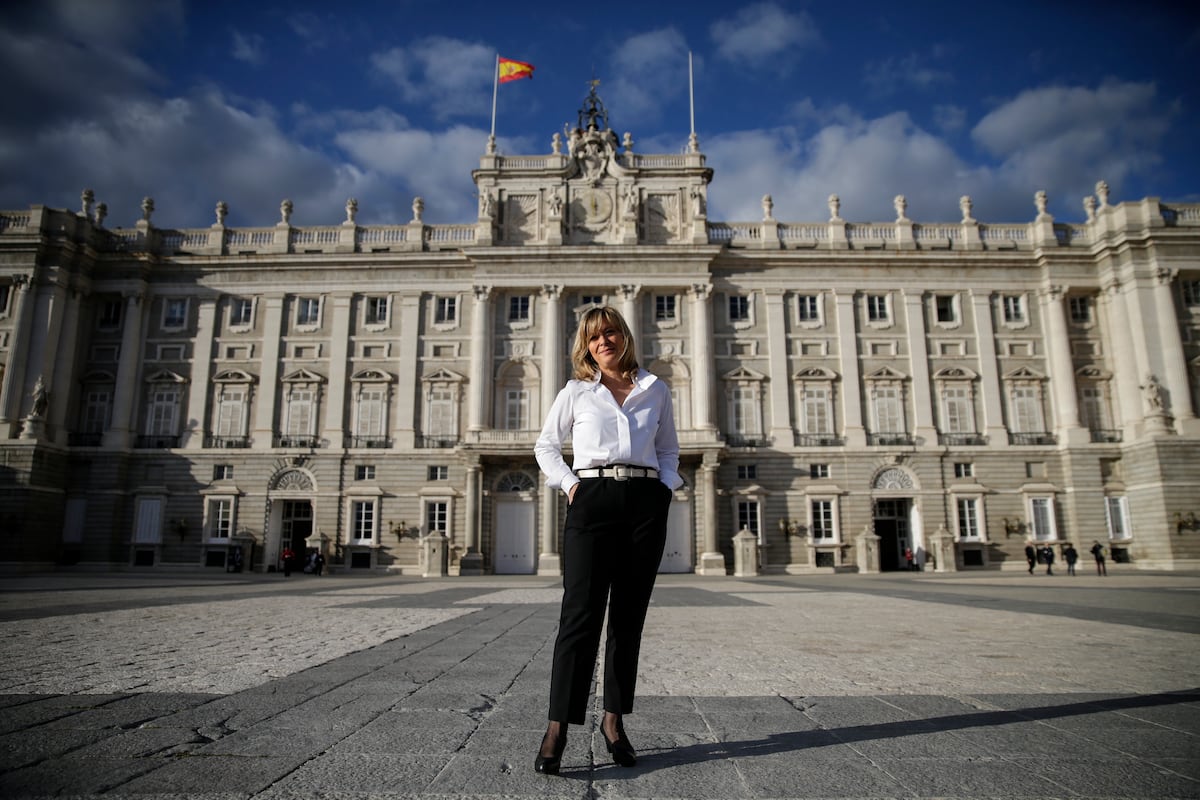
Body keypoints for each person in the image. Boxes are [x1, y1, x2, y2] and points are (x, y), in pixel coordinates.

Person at [532, 305, 681, 775]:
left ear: (624, 337)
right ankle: (557, 726)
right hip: (592, 497)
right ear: (586, 345)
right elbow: (546, 446)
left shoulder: (655, 389)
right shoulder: (576, 391)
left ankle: (613, 723)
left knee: (628, 619)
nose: (603, 342)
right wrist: (572, 485)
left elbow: (668, 448)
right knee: (579, 616)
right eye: (594, 337)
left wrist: (664, 488)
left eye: (611, 333)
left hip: (643, 501)